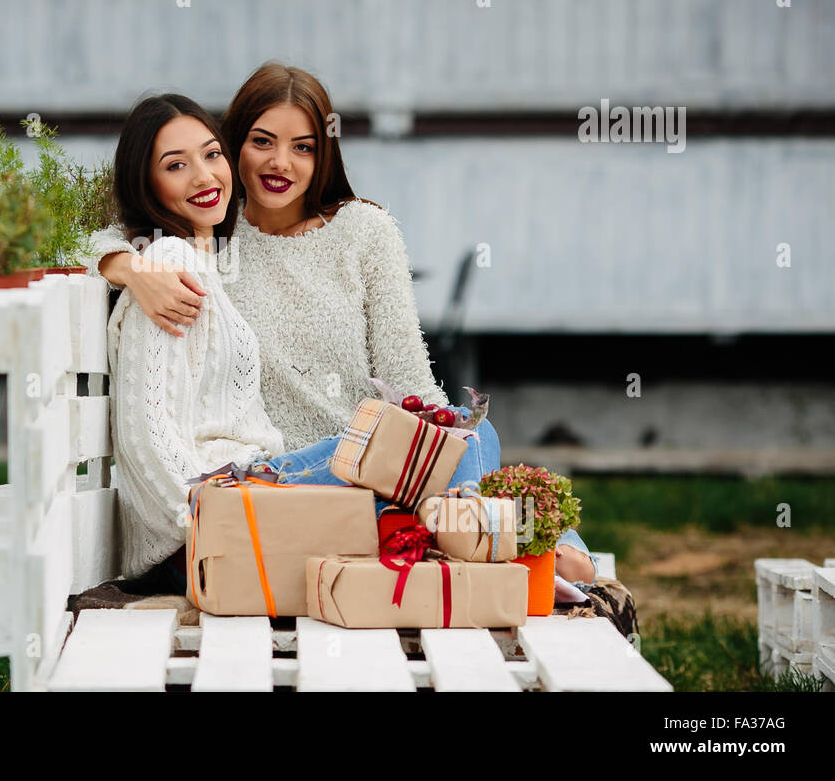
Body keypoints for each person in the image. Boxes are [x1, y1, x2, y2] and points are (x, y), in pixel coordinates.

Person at [89, 63, 601, 593]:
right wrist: (127, 268)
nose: (280, 163)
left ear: (324, 154)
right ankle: (508, 547)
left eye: (304, 147)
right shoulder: (213, 228)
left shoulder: (363, 232)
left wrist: (438, 439)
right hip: (282, 481)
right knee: (467, 440)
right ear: (235, 143)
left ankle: (490, 535)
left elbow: (411, 385)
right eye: (262, 141)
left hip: (374, 466)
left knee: (470, 431)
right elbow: (88, 241)